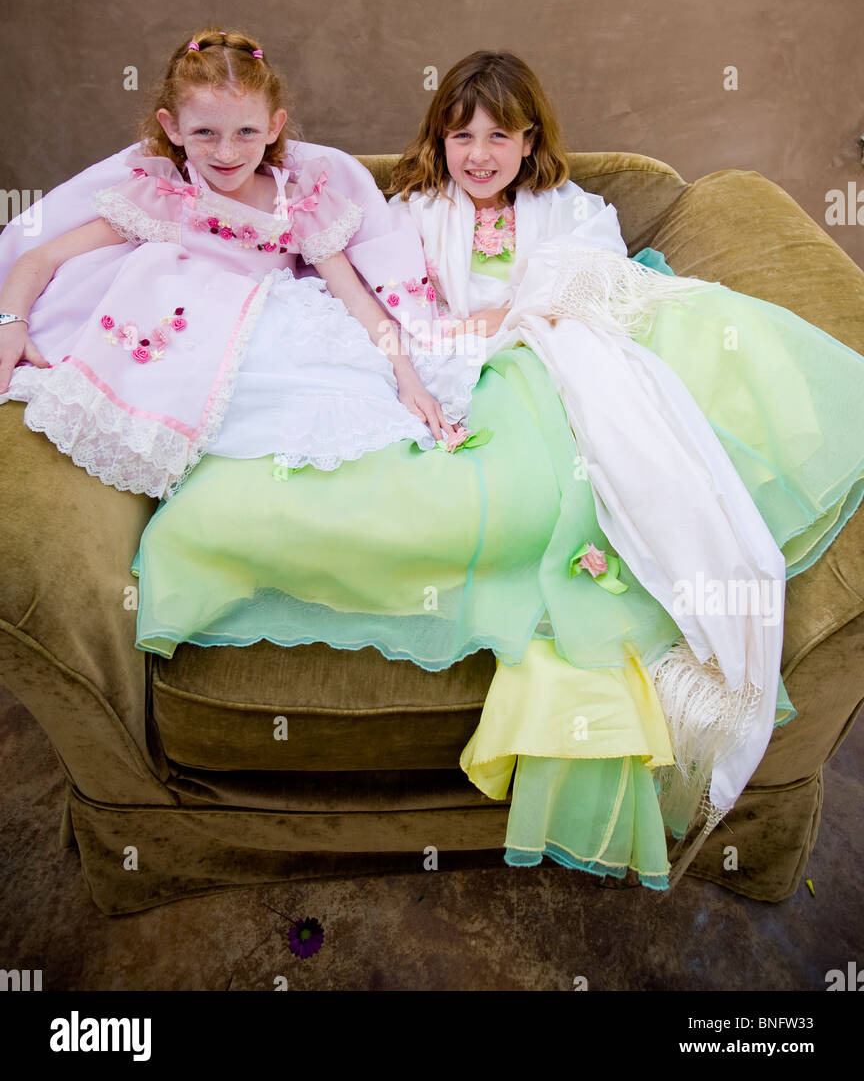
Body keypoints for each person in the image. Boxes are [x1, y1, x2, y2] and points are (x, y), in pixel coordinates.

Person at [130, 52, 864, 889]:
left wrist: (516, 311)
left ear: (530, 142)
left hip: (541, 350)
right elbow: (381, 290)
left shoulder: (568, 207)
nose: (479, 155)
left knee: (636, 417)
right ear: (439, 140)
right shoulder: (407, 208)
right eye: (461, 135)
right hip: (456, 359)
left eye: (500, 137)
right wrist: (443, 341)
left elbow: (596, 278)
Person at [0, 29, 465, 499]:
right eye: (205, 132)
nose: (226, 153)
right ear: (172, 127)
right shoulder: (166, 197)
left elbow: (358, 300)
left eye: (246, 132)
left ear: (274, 126)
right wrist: (10, 321)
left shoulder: (298, 202)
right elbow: (41, 257)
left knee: (349, 414)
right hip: (196, 359)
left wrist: (409, 380)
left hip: (277, 349)